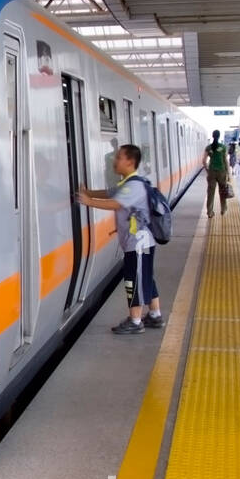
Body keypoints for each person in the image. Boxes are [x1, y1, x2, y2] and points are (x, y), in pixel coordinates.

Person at [78, 143, 163, 335]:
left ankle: (135, 321)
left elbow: (115, 203)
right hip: (140, 243)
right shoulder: (129, 183)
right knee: (146, 278)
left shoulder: (133, 186)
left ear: (130, 162)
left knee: (133, 280)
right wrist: (89, 192)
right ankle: (155, 315)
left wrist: (88, 202)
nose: (114, 161)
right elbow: (110, 193)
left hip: (138, 244)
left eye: (119, 157)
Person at [202, 131, 229, 217]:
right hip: (222, 171)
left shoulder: (208, 147)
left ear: (212, 136)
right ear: (219, 136)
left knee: (210, 192)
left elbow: (204, 161)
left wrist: (207, 170)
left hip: (212, 171)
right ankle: (223, 210)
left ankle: (210, 212)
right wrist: (228, 172)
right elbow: (225, 160)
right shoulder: (223, 147)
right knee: (223, 191)